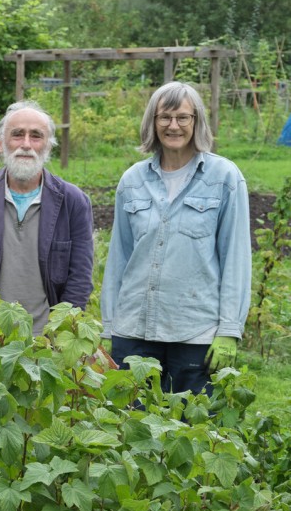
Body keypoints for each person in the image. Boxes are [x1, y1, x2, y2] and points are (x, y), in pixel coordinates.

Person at [102, 81, 251, 394]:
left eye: (183, 117)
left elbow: (235, 258)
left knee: (190, 434)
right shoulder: (133, 180)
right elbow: (119, 259)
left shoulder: (224, 178)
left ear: (196, 121)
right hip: (134, 331)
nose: (174, 126)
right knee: (132, 431)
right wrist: (108, 327)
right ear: (152, 122)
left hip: (195, 334)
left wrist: (229, 329)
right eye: (164, 117)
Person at [0, 101, 94, 332]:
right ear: (1, 144)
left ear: (48, 147)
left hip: (46, 340)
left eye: (36, 136)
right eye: (17, 134)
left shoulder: (74, 202)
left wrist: (60, 334)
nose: (25, 144)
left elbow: (79, 279)